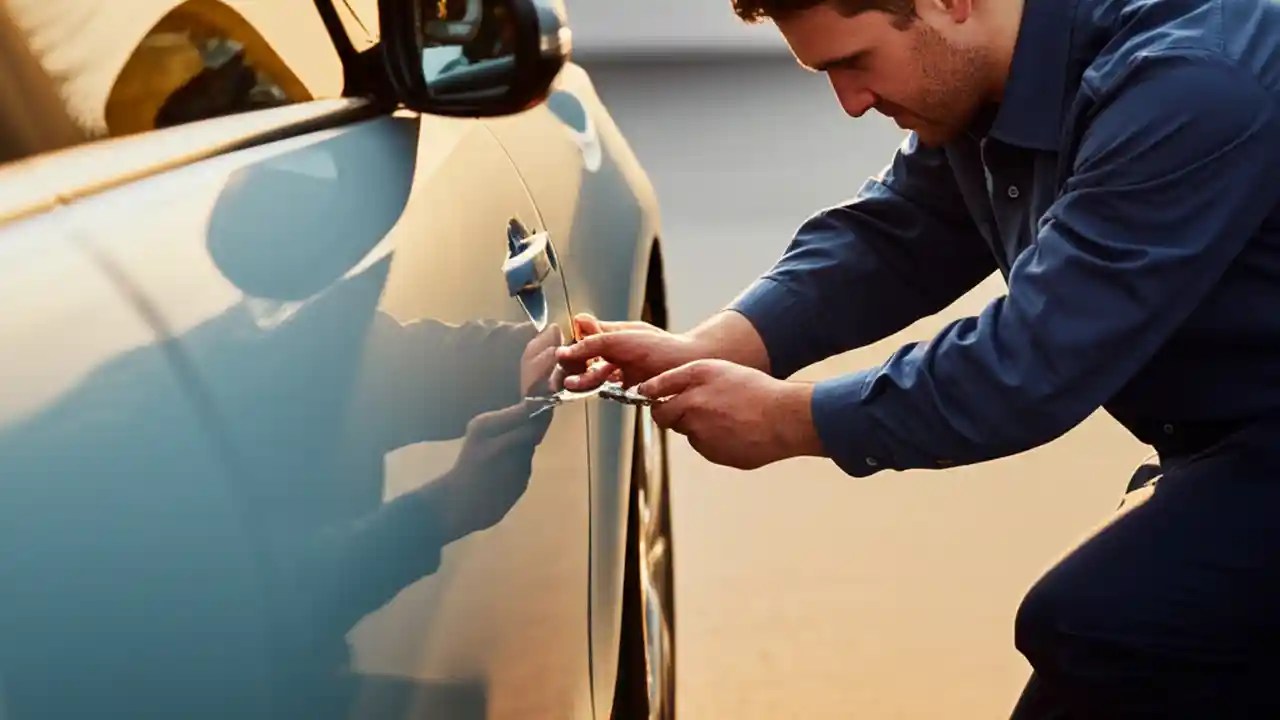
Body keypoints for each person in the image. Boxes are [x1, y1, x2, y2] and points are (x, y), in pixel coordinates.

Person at [555, 0, 1280, 715]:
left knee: (1110, 626)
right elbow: (903, 231)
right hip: (1234, 443)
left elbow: (1032, 363)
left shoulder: (1190, 86)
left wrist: (789, 421)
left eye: (854, 62)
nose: (850, 102)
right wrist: (708, 348)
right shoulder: (997, 74)